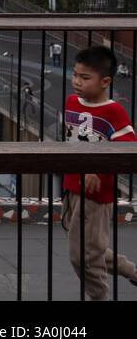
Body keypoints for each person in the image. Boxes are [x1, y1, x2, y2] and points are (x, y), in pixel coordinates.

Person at [61, 45, 137, 300]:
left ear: (105, 81)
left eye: (85, 77)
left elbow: (129, 147)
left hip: (95, 195)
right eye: (75, 75)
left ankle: (98, 297)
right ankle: (131, 271)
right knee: (91, 249)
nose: (76, 82)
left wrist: (98, 168)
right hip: (71, 187)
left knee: (81, 256)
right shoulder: (71, 101)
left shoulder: (113, 111)